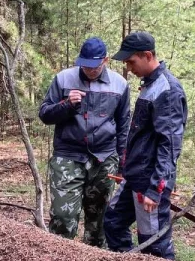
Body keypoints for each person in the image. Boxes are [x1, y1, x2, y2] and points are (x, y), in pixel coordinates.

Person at [39, 37, 131, 247]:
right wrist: (66, 105)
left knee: (98, 221)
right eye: (84, 65)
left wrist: (123, 165)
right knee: (63, 216)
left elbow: (124, 125)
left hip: (104, 158)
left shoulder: (119, 84)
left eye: (94, 66)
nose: (89, 70)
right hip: (68, 157)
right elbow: (45, 115)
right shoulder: (63, 79)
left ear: (106, 60)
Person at [103, 31, 187, 260]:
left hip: (150, 181)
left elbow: (169, 145)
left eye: (131, 61)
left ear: (147, 55)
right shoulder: (150, 85)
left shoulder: (167, 90)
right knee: (112, 223)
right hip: (134, 176)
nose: (129, 68)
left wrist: (155, 189)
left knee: (154, 244)